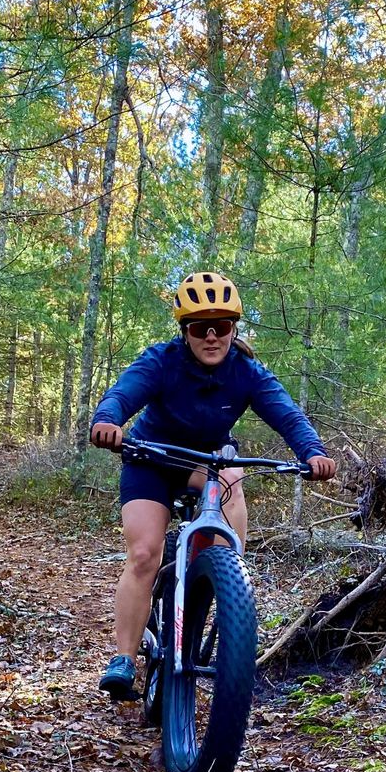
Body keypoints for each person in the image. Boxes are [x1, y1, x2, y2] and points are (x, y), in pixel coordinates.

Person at [89, 271, 337, 697]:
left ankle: (229, 578)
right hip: (151, 460)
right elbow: (122, 393)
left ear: (232, 329)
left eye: (220, 327)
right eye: (199, 327)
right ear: (184, 331)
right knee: (145, 554)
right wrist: (108, 420)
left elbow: (288, 415)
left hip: (203, 461)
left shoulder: (246, 373)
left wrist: (312, 452)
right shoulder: (162, 361)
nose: (211, 336)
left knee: (232, 475)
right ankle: (125, 658)